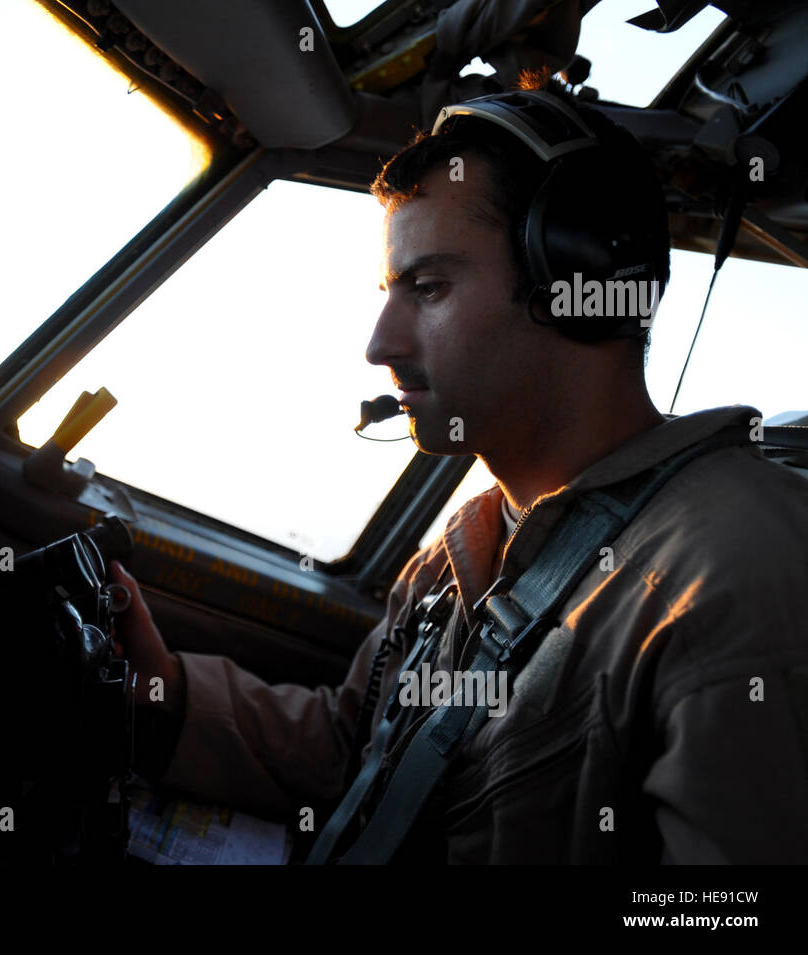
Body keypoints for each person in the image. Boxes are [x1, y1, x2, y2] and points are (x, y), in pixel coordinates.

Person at [106, 83, 808, 863]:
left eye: (429, 286)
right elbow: (358, 751)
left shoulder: (737, 571)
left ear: (577, 280)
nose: (379, 344)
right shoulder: (466, 543)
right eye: (391, 291)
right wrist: (164, 691)